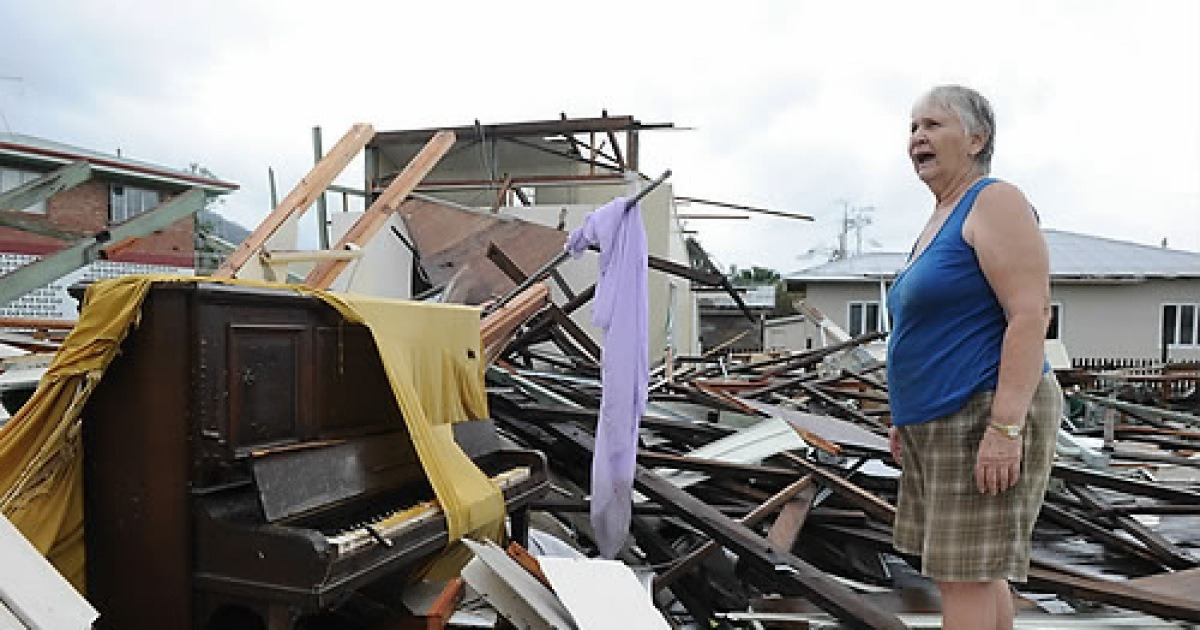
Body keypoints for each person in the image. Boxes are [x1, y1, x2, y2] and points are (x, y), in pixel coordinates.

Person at [886, 85, 1063, 630]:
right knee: (972, 573)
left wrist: (1005, 429)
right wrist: (904, 417)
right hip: (937, 417)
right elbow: (927, 326)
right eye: (914, 127)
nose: (918, 137)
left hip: (982, 408)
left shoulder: (994, 201)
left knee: (965, 575)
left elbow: (1030, 313)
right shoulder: (940, 217)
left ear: (977, 139)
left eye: (933, 125)